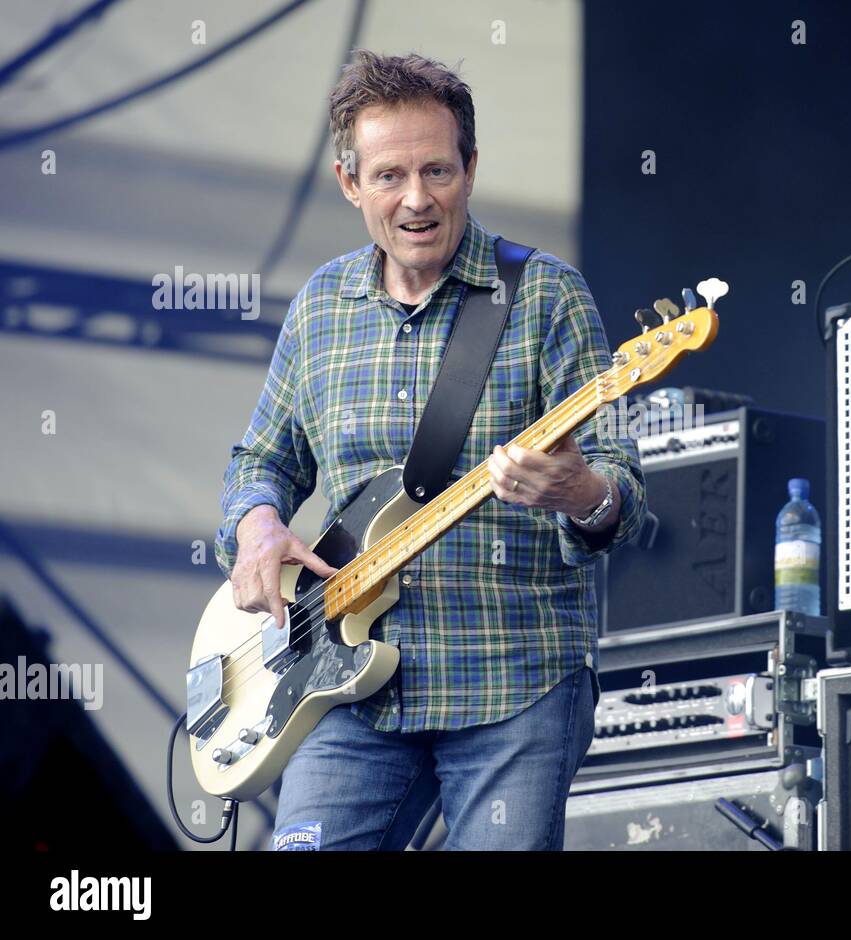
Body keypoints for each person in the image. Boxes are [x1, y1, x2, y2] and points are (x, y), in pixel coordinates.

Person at [213, 51, 645, 850]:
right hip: (346, 695)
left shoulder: (547, 297)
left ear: (472, 169)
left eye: (438, 170)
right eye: (389, 176)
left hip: (514, 685)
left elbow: (623, 486)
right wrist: (257, 528)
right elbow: (259, 463)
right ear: (350, 182)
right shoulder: (321, 308)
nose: (417, 199)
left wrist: (580, 492)